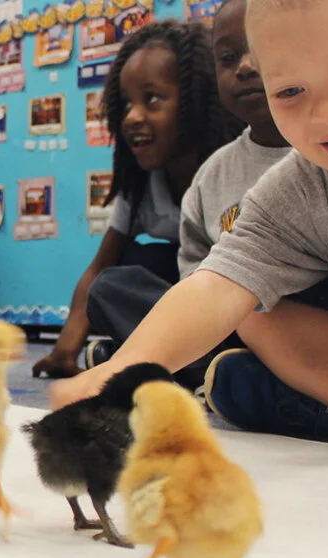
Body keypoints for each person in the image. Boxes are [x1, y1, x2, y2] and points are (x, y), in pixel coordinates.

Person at [51, 0, 328, 444]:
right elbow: (218, 284)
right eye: (290, 91)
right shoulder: (298, 185)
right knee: (258, 314)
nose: (326, 114)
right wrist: (119, 371)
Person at [83, 0, 291, 387]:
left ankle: (156, 365)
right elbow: (194, 285)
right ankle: (205, 367)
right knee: (118, 281)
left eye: (152, 99)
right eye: (228, 57)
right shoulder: (211, 178)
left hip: (297, 322)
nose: (246, 66)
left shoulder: (317, 157)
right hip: (224, 320)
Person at [31, 20, 239, 379]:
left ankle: (175, 362)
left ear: (193, 100)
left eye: (152, 99)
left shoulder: (231, 170)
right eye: (126, 104)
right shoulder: (141, 183)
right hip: (186, 313)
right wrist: (65, 350)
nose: (132, 117)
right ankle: (189, 365)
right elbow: (100, 268)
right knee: (114, 280)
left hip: (239, 310)